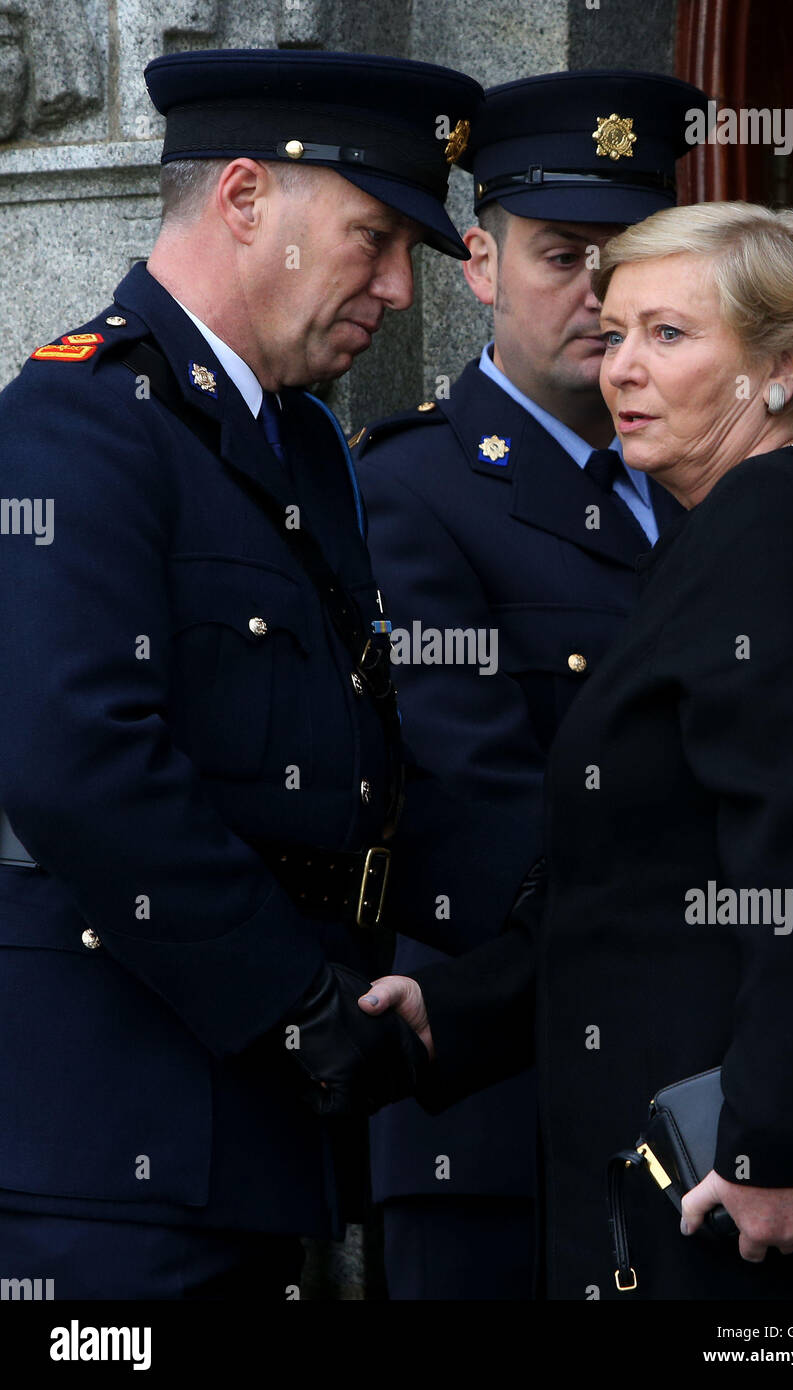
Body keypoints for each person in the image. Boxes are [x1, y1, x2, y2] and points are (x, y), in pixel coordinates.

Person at [0, 47, 481, 1300]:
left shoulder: (303, 447)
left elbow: (349, 779)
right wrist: (295, 1001)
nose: (395, 289)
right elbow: (73, 763)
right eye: (373, 238)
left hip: (257, 1138)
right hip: (111, 1154)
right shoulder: (80, 421)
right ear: (247, 197)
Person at [360, 201, 793, 1300]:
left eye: (670, 336)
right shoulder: (726, 527)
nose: (621, 371)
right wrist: (460, 1006)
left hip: (727, 1196)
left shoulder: (782, 526)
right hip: (662, 1157)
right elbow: (637, 871)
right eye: (617, 332)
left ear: (783, 369)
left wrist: (781, 1143)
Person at [353, 66, 704, 1302]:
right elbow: (483, 792)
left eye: (636, 260)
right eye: (564, 255)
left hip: (706, 1111)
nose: (605, 300)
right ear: (479, 264)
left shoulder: (712, 487)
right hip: (498, 1118)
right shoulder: (409, 489)